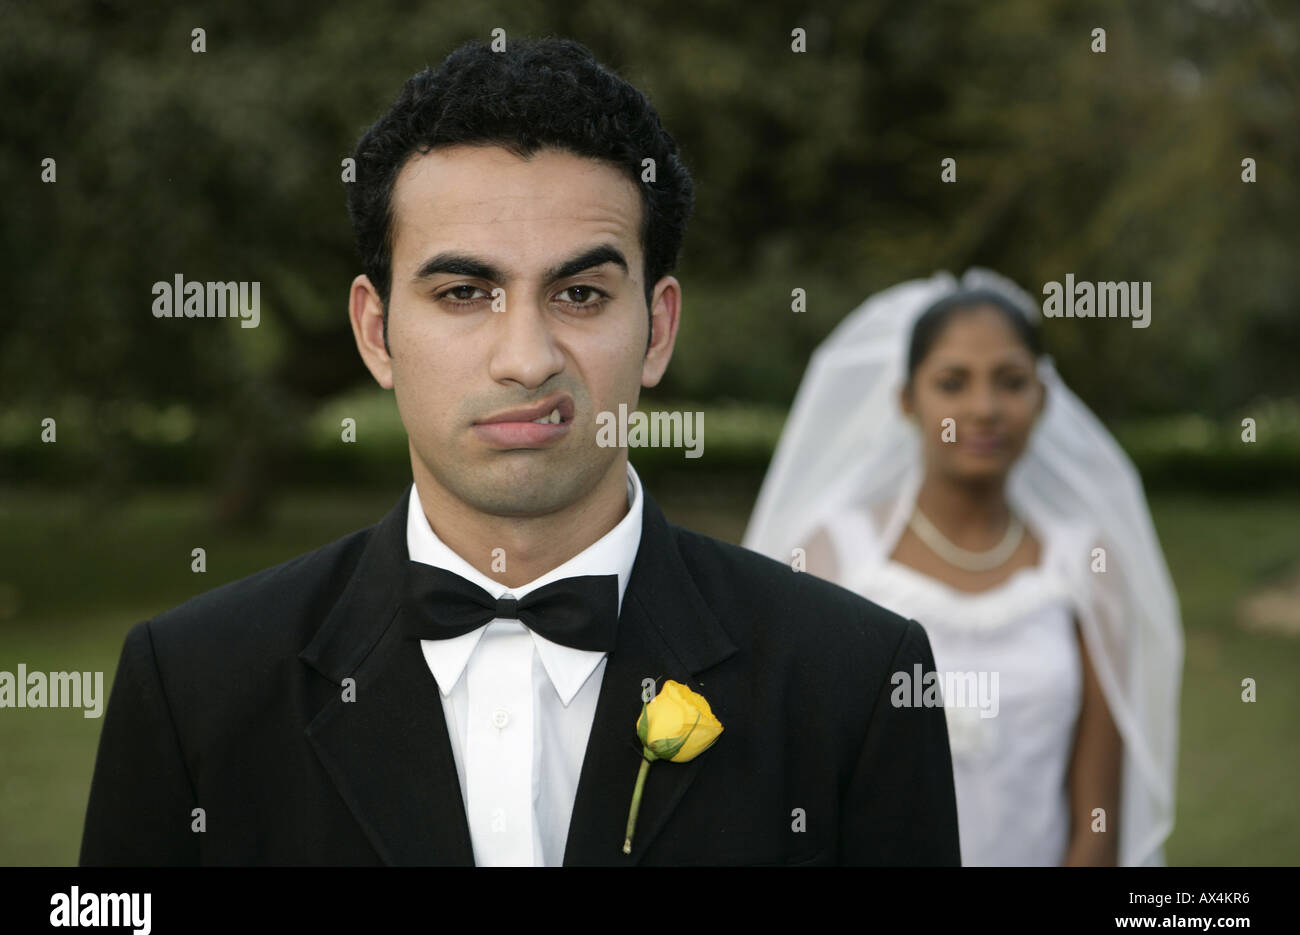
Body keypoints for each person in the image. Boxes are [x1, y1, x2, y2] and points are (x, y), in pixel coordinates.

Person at [79, 37, 960, 866]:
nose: (527, 357)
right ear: (376, 332)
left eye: (579, 292)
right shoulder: (193, 683)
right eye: (465, 292)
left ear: (657, 330)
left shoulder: (856, 681)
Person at [743, 269, 1183, 866]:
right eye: (953, 383)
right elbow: (798, 789)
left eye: (1010, 381)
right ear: (907, 399)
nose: (984, 408)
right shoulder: (833, 559)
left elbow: (1098, 823)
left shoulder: (1086, 565)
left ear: (1042, 397)